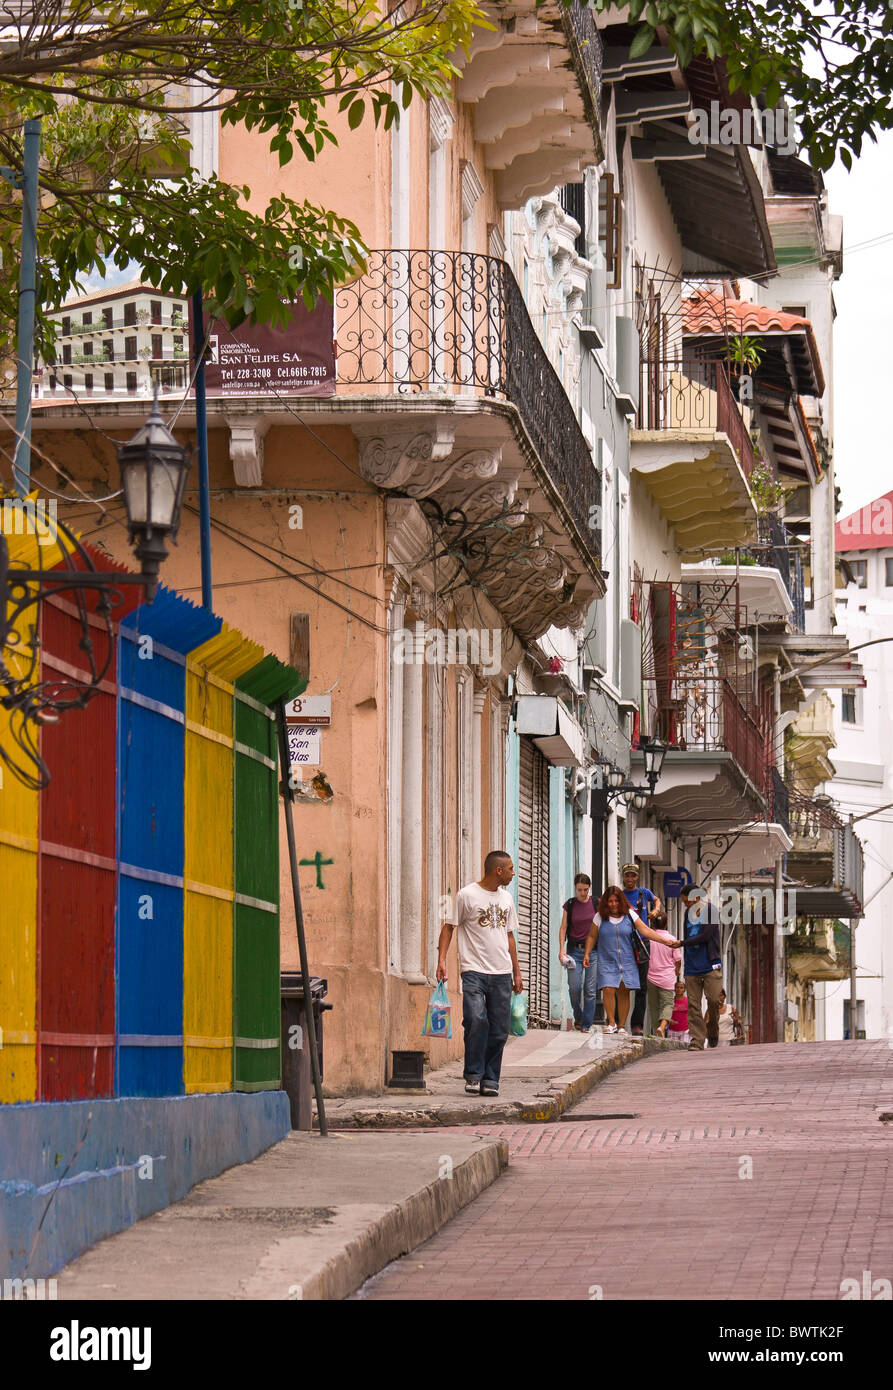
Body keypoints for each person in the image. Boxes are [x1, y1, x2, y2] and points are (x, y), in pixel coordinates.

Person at [436, 850, 524, 1098]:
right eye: (510, 869)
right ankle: (473, 1075)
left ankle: (490, 1078)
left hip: (502, 972)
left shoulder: (507, 898)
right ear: (498, 871)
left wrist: (517, 972)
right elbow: (448, 927)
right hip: (473, 970)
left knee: (499, 1029)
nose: (513, 873)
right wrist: (441, 960)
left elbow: (509, 936)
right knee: (476, 1020)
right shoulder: (466, 895)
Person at [582, 886, 676, 1036]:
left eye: (616, 901)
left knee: (623, 991)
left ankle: (621, 1026)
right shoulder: (599, 917)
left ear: (621, 902)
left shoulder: (630, 915)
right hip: (607, 959)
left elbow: (645, 930)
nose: (613, 904)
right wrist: (587, 953)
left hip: (627, 960)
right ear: (606, 903)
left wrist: (664, 941)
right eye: (610, 901)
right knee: (608, 988)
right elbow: (592, 936)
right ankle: (611, 1023)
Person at [679, 885, 723, 1051]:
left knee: (713, 1000)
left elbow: (706, 936)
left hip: (710, 964)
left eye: (687, 902)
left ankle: (712, 1027)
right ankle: (697, 1040)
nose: (685, 905)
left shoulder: (710, 911)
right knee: (694, 1006)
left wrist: (682, 943)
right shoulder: (686, 914)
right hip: (692, 966)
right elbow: (687, 934)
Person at [621, 863, 662, 1036]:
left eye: (633, 876)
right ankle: (617, 1022)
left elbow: (657, 900)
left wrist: (656, 909)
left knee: (641, 987)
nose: (630, 879)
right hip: (625, 944)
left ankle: (637, 1025)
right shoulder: (620, 896)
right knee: (621, 984)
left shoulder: (643, 893)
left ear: (637, 877)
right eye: (627, 876)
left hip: (643, 943)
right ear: (623, 877)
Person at [558, 873, 597, 1031]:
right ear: (575, 887)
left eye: (585, 890)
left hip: (593, 951)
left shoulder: (596, 903)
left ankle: (586, 1024)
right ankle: (579, 1016)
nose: (582, 893)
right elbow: (563, 928)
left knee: (590, 989)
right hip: (574, 951)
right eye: (580, 889)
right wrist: (561, 949)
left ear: (589, 888)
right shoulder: (570, 904)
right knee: (574, 988)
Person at [645, 910, 679, 1038]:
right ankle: (662, 1026)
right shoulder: (671, 939)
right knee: (667, 1004)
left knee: (654, 1006)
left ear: (653, 924)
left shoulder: (650, 938)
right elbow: (678, 959)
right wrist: (677, 970)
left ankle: (657, 1033)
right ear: (666, 924)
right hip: (667, 978)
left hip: (651, 976)